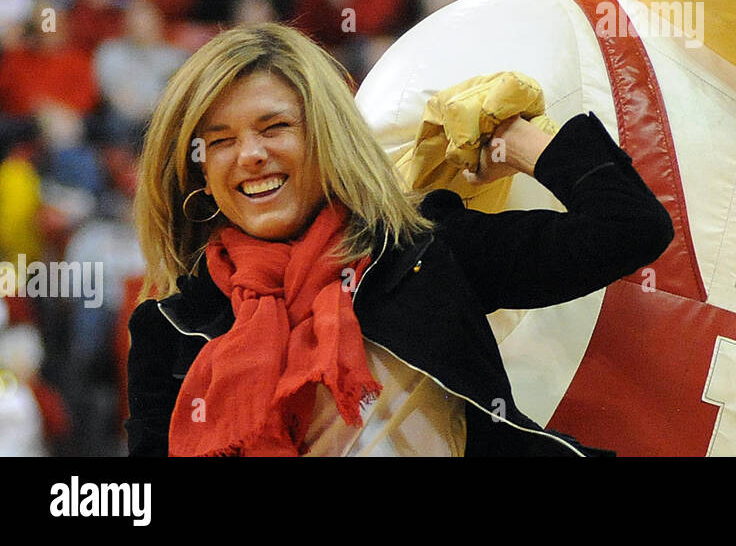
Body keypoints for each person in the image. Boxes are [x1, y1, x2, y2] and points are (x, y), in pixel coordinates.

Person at [125, 23, 672, 456]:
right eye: (220, 141)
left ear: (327, 137)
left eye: (275, 128)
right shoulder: (170, 328)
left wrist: (516, 140)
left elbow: (628, 229)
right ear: (198, 172)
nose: (250, 155)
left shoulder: (420, 252)